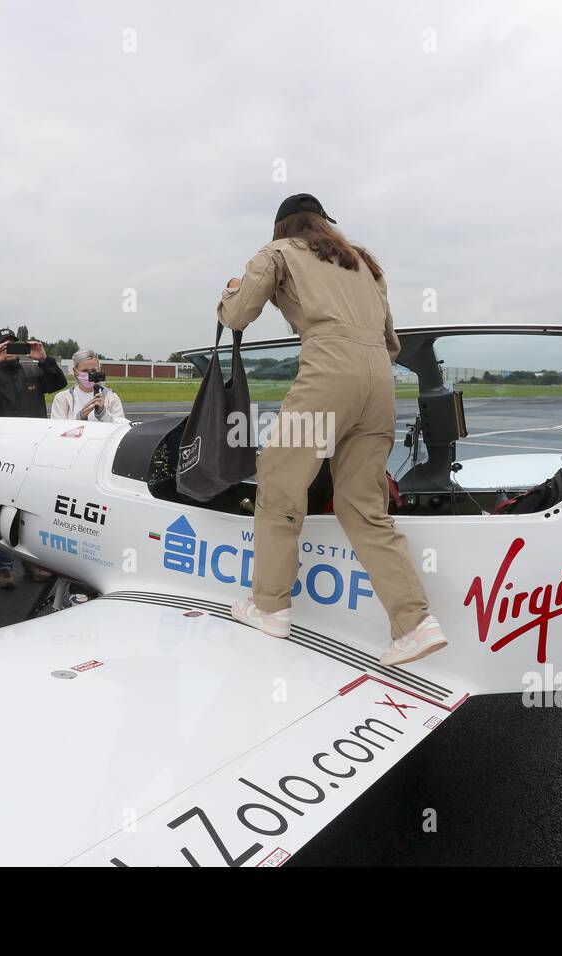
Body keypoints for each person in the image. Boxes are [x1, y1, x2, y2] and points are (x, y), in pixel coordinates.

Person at [217, 193, 448, 667]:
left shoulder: (277, 253)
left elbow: (238, 316)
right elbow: (392, 342)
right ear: (326, 224)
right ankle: (415, 623)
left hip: (328, 375)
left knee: (280, 485)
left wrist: (231, 290)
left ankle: (270, 607)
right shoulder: (364, 262)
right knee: (364, 506)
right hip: (380, 382)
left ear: (283, 227)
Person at [0, 327, 64, 588]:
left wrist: (44, 359)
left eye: (14, 344)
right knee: (2, 510)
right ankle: (4, 567)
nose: (10, 349)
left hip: (34, 452)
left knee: (32, 510)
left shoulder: (33, 371)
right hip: (4, 453)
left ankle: (31, 562)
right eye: (4, 345)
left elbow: (58, 383)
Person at [50, 348, 127, 423]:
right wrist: (79, 418)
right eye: (85, 371)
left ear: (99, 370)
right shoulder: (62, 398)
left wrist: (103, 414)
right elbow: (57, 429)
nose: (90, 374)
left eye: (93, 371)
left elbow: (120, 427)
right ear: (75, 371)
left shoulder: (111, 397)